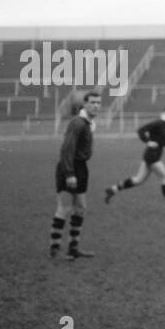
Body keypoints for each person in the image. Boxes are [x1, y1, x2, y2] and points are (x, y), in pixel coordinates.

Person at [104, 104, 165, 212]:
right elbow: (141, 130)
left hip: (151, 155)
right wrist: (148, 142)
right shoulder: (159, 122)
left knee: (138, 180)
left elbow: (161, 140)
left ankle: (113, 189)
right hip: (152, 157)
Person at [51, 90, 101, 259]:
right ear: (84, 104)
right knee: (64, 208)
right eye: (92, 102)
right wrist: (69, 173)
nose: (96, 106)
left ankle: (73, 248)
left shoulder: (88, 123)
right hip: (70, 167)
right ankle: (55, 250)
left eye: (98, 103)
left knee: (80, 209)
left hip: (81, 168)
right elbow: (67, 148)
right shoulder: (78, 123)